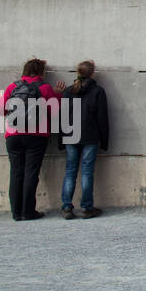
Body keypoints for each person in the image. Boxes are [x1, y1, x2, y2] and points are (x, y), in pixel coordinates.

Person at [0, 58, 61, 221]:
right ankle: (28, 211)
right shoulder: (45, 88)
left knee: (16, 172)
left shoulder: (13, 86)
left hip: (13, 135)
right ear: (42, 72)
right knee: (31, 173)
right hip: (36, 136)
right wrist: (57, 95)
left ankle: (16, 213)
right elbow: (54, 112)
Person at [59, 60, 109, 220]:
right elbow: (102, 118)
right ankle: (87, 208)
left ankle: (67, 207)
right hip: (90, 136)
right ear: (92, 73)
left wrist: (61, 139)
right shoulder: (98, 91)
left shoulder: (68, 90)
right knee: (87, 172)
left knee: (70, 172)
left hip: (71, 136)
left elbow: (62, 117)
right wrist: (104, 140)